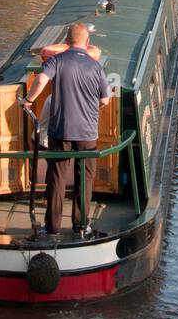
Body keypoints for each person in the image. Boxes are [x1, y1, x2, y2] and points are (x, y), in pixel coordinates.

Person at [21, 22, 111, 238]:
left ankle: (51, 228)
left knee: (57, 179)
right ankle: (81, 226)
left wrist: (28, 100)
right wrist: (92, 109)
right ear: (87, 43)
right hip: (88, 133)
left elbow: (42, 79)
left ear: (66, 42)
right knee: (85, 180)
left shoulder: (57, 61)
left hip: (61, 131)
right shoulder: (95, 67)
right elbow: (106, 100)